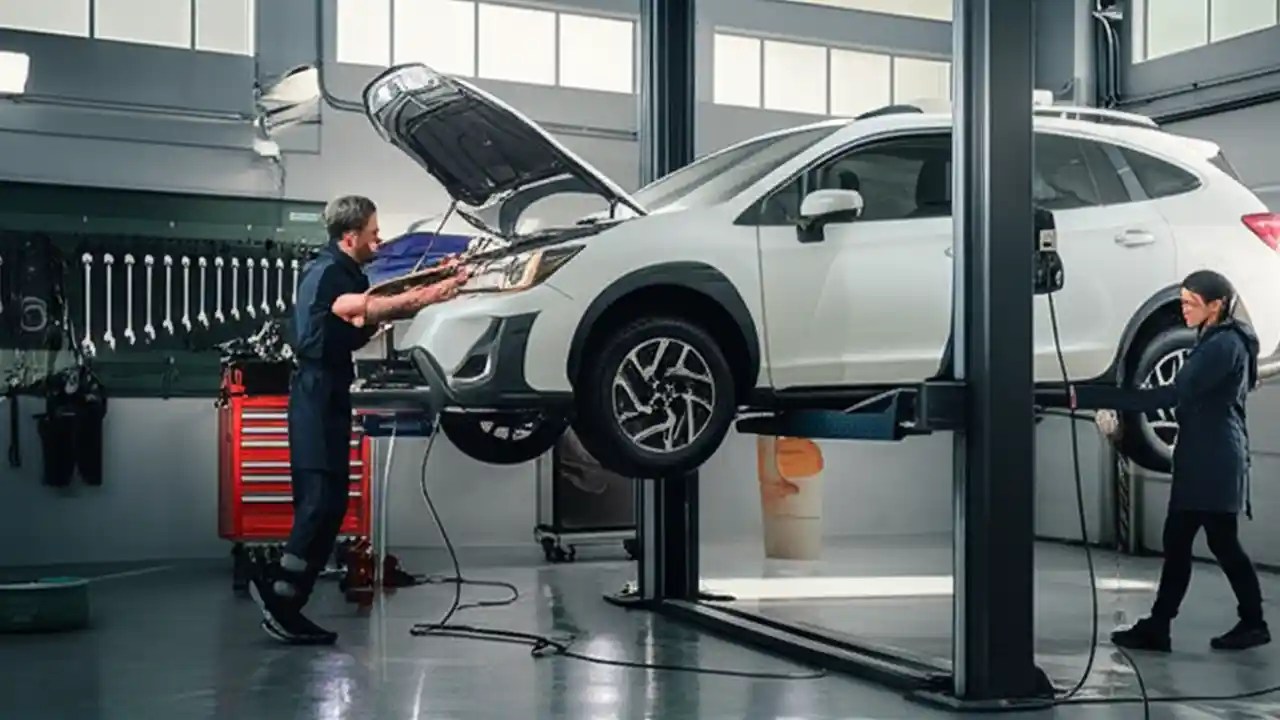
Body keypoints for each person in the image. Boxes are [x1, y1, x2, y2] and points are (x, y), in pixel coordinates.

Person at [249, 195, 469, 645]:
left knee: (329, 503)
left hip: (328, 393)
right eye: (372, 232)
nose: (379, 239)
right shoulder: (328, 273)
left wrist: (442, 273)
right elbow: (369, 308)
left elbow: (377, 295)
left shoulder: (345, 270)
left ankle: (282, 591)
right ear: (350, 237)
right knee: (318, 503)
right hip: (314, 394)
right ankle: (282, 600)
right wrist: (431, 296)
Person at [1079, 269, 1269, 652]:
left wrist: (1099, 397)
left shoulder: (1223, 345)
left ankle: (1249, 623)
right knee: (1187, 541)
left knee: (1216, 543)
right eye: (1182, 301)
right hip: (1205, 455)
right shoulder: (1215, 338)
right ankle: (1164, 624)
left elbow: (1174, 394)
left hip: (1213, 460)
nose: (1183, 310)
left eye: (1191, 303)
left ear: (1216, 306)